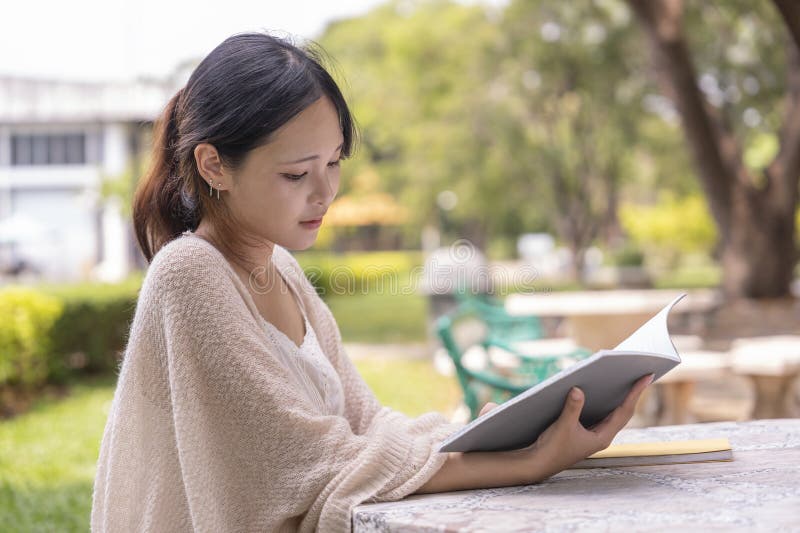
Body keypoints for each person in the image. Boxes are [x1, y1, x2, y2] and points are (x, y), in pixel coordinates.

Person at [90, 31, 654, 532]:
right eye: (296, 173)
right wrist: (524, 464)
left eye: (333, 163)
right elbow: (308, 465)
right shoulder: (188, 274)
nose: (324, 192)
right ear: (213, 165)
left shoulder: (279, 268)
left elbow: (364, 422)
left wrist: (477, 438)